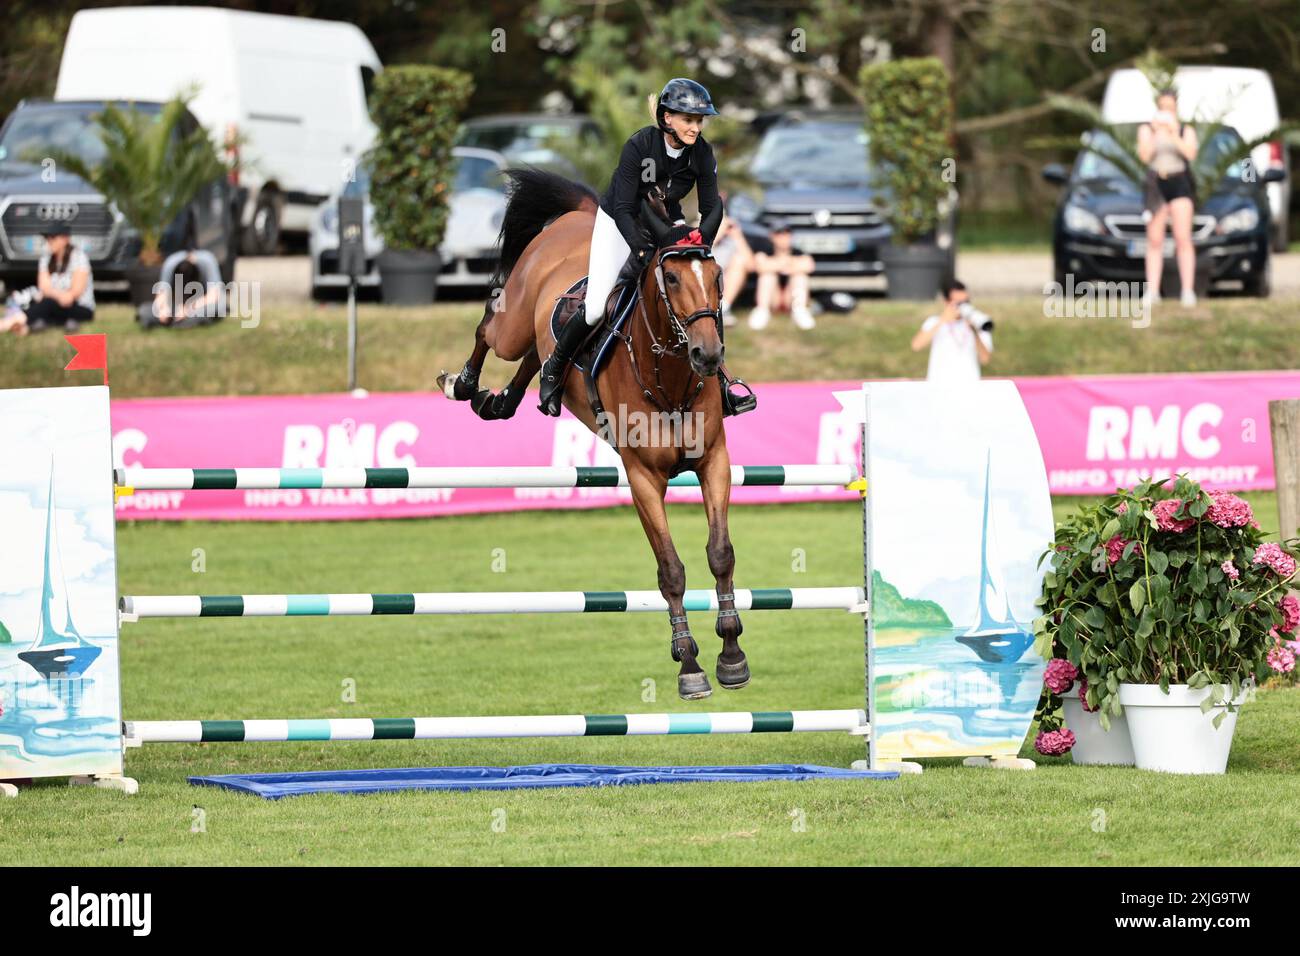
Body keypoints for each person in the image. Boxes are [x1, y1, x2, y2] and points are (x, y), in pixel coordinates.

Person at [536, 77, 755, 417]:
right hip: (620, 222)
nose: (696, 128)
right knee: (595, 307)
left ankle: (723, 383)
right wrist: (640, 249)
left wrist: (702, 241)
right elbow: (626, 207)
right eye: (689, 120)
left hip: (667, 221)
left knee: (703, 291)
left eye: (699, 121)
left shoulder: (702, 152)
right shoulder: (639, 146)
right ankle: (553, 369)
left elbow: (712, 207)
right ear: (667, 118)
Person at [1137, 88, 1199, 308]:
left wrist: (1173, 134)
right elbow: (1144, 156)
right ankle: (1152, 291)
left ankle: (1187, 291)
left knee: (1183, 238)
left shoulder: (1184, 130)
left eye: (1169, 108)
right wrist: (1156, 134)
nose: (1165, 112)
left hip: (1179, 182)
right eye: (1162, 107)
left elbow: (1190, 154)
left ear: (1176, 108)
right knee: (1155, 240)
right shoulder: (1147, 129)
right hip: (1156, 184)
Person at [17, 222, 95, 333]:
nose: (49, 241)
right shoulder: (46, 258)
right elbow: (44, 288)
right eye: (47, 237)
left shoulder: (79, 257)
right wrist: (58, 295)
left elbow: (72, 296)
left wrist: (52, 294)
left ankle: (14, 322)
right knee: (41, 303)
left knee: (48, 303)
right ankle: (45, 323)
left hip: (79, 307)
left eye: (53, 237)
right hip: (54, 305)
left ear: (65, 238)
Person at [910, 279, 993, 382]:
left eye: (966, 301)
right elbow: (916, 346)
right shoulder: (934, 321)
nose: (964, 306)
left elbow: (985, 359)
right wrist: (942, 320)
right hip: (939, 385)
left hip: (970, 386)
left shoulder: (978, 321)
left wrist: (974, 331)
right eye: (959, 303)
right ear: (946, 302)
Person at [747, 219, 815, 330]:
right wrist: (788, 263)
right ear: (772, 236)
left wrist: (776, 264)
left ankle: (800, 310)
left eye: (786, 234)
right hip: (774, 298)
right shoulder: (765, 250)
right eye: (779, 234)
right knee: (768, 276)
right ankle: (762, 310)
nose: (783, 238)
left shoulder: (798, 251)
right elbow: (760, 266)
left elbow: (809, 265)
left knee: (800, 276)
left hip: (790, 297)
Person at [138, 248, 226, 329]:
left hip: (203, 303)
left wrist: (188, 309)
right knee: (147, 310)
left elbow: (213, 296)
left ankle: (178, 321)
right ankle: (178, 321)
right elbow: (161, 294)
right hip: (177, 305)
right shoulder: (170, 263)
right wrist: (163, 309)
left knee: (214, 308)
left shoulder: (207, 260)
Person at [713, 204, 754, 327]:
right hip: (706, 279)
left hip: (725, 282)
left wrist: (738, 236)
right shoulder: (698, 232)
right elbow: (700, 252)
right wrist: (717, 234)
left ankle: (723, 309)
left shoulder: (732, 239)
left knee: (740, 260)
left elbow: (751, 265)